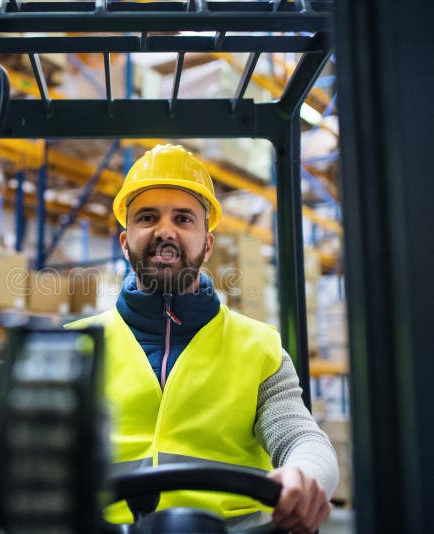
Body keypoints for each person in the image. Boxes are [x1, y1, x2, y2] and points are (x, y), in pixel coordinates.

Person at [66, 144, 338, 533]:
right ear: (125, 243)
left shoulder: (259, 350)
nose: (165, 231)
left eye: (183, 218)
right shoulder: (74, 347)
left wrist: (304, 476)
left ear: (207, 245)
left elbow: (302, 436)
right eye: (147, 217)